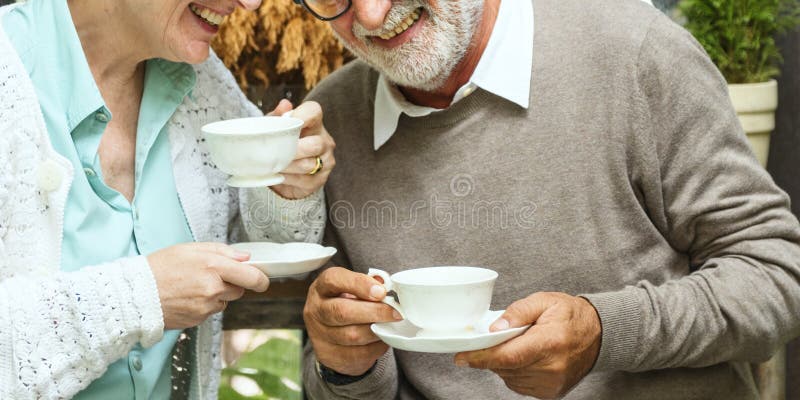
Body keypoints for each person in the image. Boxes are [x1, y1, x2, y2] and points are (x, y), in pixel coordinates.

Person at [296, 0, 800, 399]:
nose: (371, 16)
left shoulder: (633, 50)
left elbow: (775, 275)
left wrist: (604, 332)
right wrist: (343, 368)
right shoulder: (330, 125)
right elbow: (349, 369)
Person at [0, 0, 335, 398]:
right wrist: (140, 298)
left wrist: (284, 187)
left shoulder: (201, 80)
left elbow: (266, 244)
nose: (251, 4)